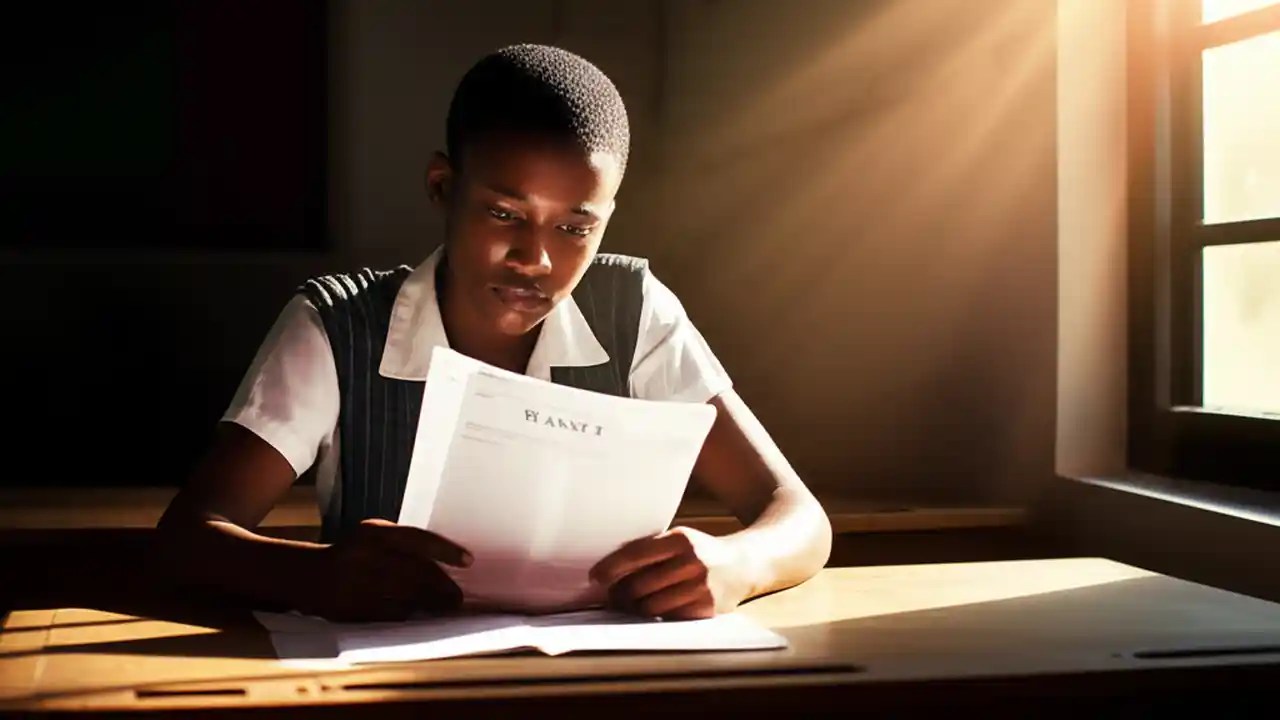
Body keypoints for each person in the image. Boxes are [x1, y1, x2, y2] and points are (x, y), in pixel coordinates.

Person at [157, 44, 831, 622]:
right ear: (443, 187)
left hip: (602, 686)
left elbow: (798, 516)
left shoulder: (635, 312)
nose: (535, 258)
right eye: (505, 213)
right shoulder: (339, 327)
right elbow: (188, 537)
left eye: (575, 228)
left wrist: (737, 563)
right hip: (390, 688)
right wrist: (314, 573)